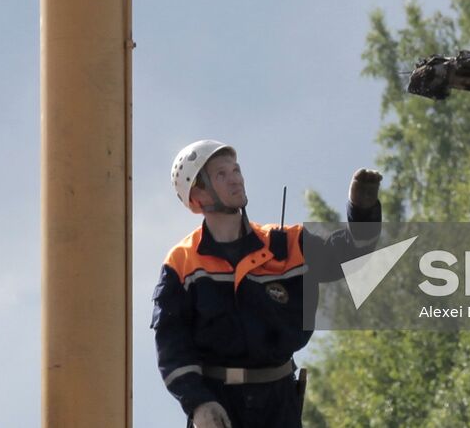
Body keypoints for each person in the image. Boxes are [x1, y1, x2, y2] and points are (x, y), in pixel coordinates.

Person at [153, 140, 383, 428]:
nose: (235, 179)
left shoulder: (287, 245)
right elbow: (172, 346)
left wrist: (362, 212)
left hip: (279, 405)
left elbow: (349, 254)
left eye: (236, 170)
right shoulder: (182, 263)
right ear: (197, 195)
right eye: (221, 174)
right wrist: (198, 403)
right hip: (219, 406)